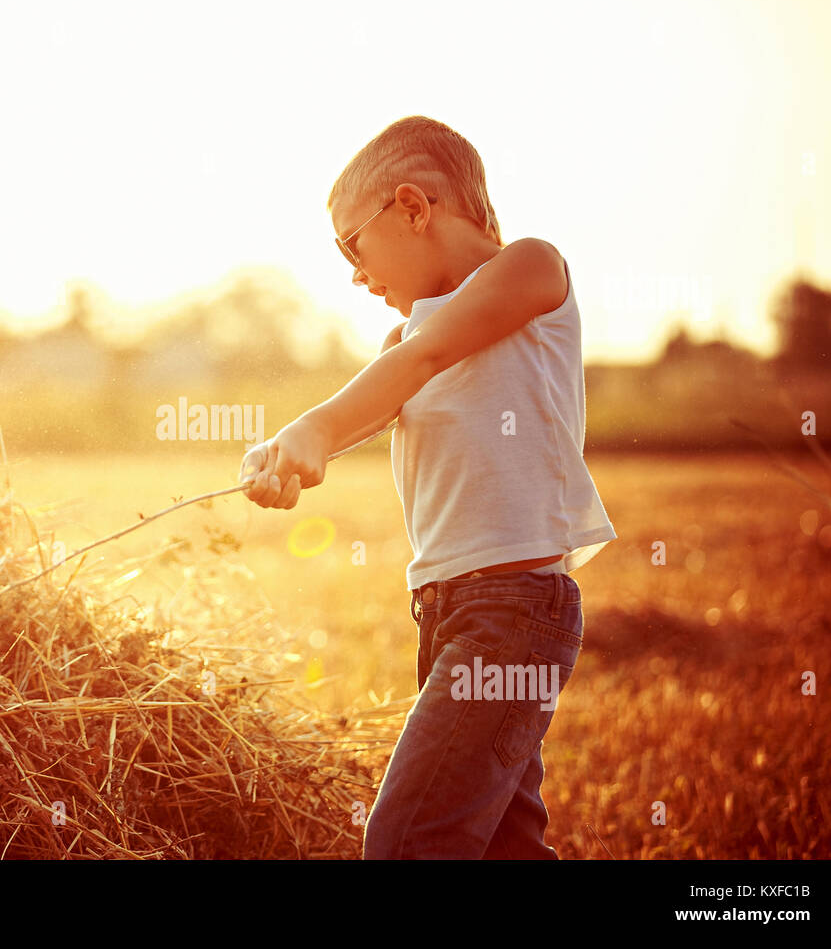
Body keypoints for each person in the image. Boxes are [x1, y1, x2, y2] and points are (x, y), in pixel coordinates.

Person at [238, 115, 617, 858]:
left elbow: (425, 360)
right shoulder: (399, 345)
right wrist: (287, 460)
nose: (352, 272)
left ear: (412, 208)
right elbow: (369, 405)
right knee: (504, 845)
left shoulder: (531, 268)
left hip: (512, 616)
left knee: (409, 841)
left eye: (352, 245)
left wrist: (314, 426)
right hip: (447, 616)